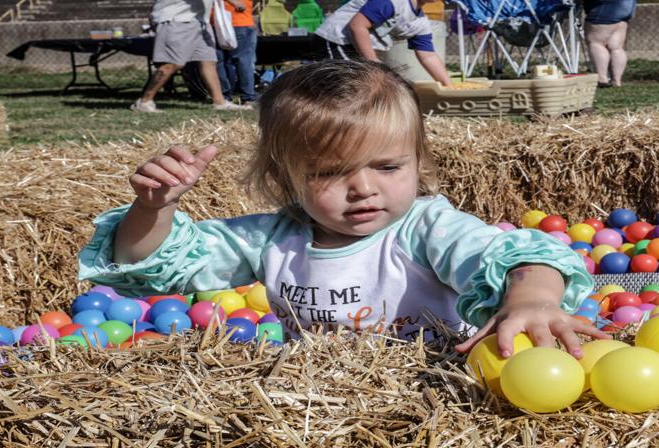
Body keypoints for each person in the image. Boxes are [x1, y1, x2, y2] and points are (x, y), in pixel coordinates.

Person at [79, 59, 604, 355]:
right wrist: (154, 210)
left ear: (418, 161)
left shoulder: (426, 228)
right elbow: (154, 266)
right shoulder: (272, 238)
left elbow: (523, 256)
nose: (363, 189)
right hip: (321, 408)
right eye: (330, 173)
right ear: (284, 176)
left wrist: (531, 299)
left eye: (388, 167)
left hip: (439, 388)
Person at [132, 0, 250, 113]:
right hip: (177, 19)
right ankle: (144, 102)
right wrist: (233, 2)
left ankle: (220, 102)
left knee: (209, 61)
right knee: (173, 63)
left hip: (199, 21)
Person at [315, 0, 453, 87]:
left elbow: (428, 56)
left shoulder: (420, 22)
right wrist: (373, 62)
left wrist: (448, 86)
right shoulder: (392, 2)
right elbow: (357, 26)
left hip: (356, 46)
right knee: (344, 85)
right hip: (336, 38)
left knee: (361, 84)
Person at [583, 0, 635, 89]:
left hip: (605, 8)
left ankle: (602, 79)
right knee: (616, 47)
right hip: (626, 7)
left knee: (596, 43)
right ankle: (616, 81)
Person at [216, 0, 259, 107]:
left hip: (218, 20)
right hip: (238, 19)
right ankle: (248, 96)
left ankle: (224, 95)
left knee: (221, 61)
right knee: (243, 60)